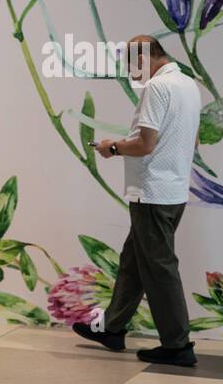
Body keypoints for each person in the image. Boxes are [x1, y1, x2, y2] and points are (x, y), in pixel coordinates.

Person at [72, 35, 201, 366]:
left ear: (145, 58)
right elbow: (193, 140)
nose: (131, 73)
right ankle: (113, 328)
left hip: (152, 192)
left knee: (159, 268)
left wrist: (112, 147)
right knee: (134, 261)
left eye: (131, 64)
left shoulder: (157, 88)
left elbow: (145, 144)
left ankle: (177, 345)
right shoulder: (188, 85)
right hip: (173, 191)